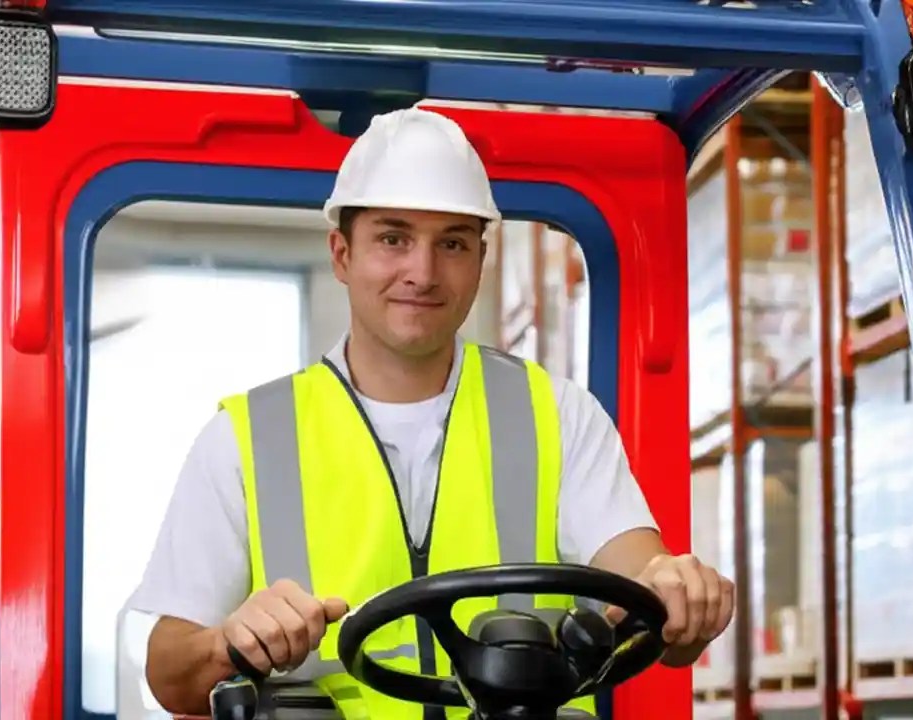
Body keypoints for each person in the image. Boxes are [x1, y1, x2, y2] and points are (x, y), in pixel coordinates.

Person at [126, 107, 735, 718]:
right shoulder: (246, 438)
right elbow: (170, 672)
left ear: (480, 258)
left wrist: (678, 594)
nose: (422, 271)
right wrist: (232, 641)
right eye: (394, 239)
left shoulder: (556, 413)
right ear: (341, 254)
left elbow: (643, 590)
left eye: (451, 243)